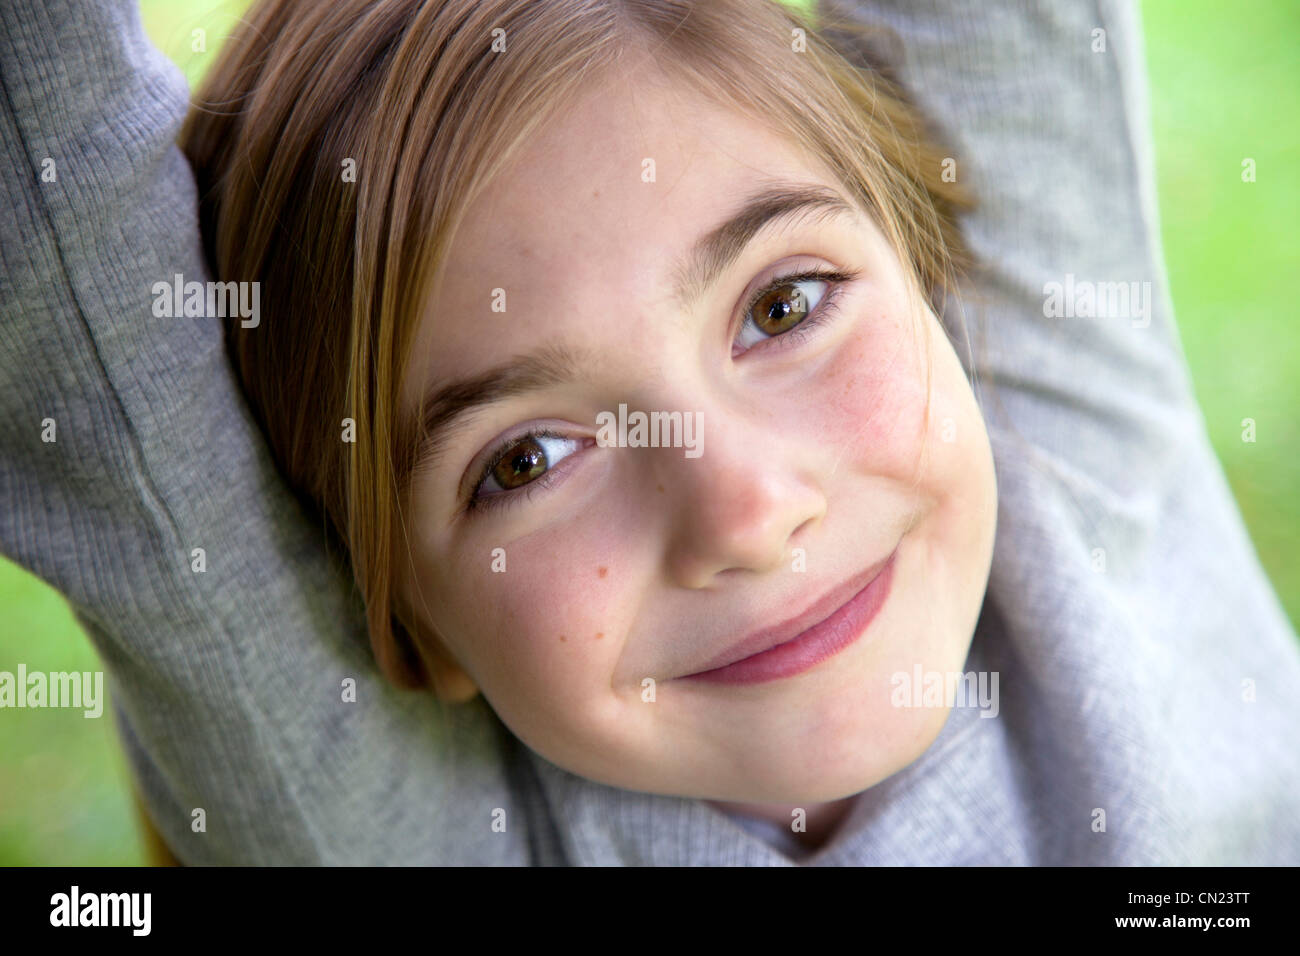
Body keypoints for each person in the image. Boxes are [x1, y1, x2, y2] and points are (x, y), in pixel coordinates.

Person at [2, 0, 1296, 866]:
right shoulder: (394, 831)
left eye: (784, 307)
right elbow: (65, 254)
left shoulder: (1058, 437)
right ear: (402, 625)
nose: (743, 510)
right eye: (528, 461)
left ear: (924, 263)